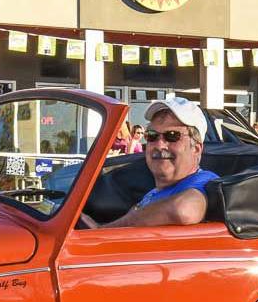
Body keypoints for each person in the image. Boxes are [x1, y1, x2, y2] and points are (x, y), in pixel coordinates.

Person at [80, 97, 216, 228]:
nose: (159, 145)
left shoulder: (205, 182)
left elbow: (184, 210)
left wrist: (102, 231)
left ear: (196, 149)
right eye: (152, 135)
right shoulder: (156, 192)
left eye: (172, 136)